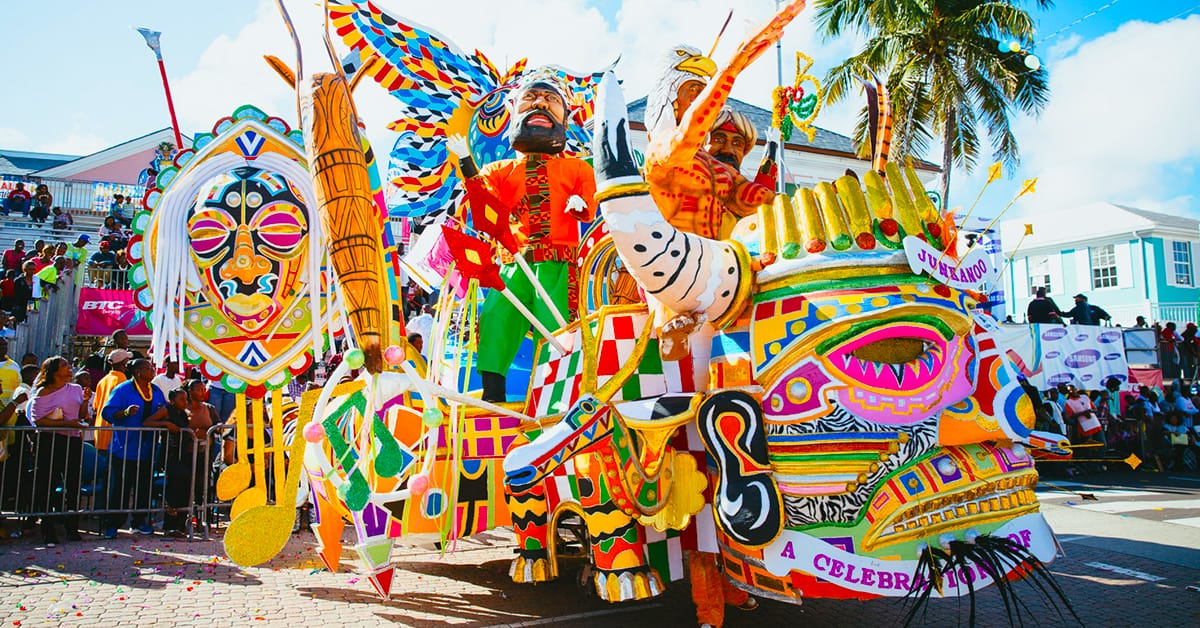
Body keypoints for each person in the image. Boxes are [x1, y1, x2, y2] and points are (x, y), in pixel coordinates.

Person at [446, 70, 597, 401]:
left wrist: (580, 203)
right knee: (496, 318)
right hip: (512, 265)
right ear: (514, 112)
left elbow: (589, 202)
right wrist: (468, 166)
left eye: (551, 99)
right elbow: (484, 204)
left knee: (556, 328)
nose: (540, 103)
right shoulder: (498, 170)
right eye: (531, 97)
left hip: (558, 266)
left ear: (566, 119)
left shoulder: (578, 169)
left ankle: (557, 398)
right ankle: (494, 396)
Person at [100, 359, 170, 538]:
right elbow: (107, 412)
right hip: (124, 447)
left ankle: (139, 521)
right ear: (138, 372)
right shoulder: (123, 389)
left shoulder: (155, 390)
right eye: (148, 368)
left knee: (144, 487)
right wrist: (124, 413)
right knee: (120, 488)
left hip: (147, 449)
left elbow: (164, 409)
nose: (152, 370)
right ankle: (113, 524)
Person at [27, 356, 92, 545]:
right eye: (64, 365)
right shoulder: (43, 391)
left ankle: (72, 528)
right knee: (47, 484)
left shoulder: (76, 389)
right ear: (54, 371)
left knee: (73, 485)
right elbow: (39, 420)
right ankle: (48, 530)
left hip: (72, 440)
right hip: (49, 441)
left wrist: (85, 402)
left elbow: (82, 416)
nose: (69, 368)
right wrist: (66, 423)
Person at [161, 389, 193, 537]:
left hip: (183, 453)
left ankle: (180, 524)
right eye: (181, 399)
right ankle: (170, 525)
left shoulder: (184, 414)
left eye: (186, 399)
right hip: (170, 453)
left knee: (184, 486)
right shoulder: (166, 411)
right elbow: (147, 422)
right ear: (173, 401)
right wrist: (166, 424)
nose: (184, 402)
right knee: (175, 486)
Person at [91, 349, 132, 452]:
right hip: (113, 434)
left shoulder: (103, 380)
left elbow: (95, 406)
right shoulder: (122, 381)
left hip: (100, 431)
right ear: (124, 363)